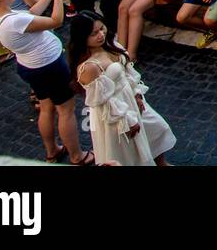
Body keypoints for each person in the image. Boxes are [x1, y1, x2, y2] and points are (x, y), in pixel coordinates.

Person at [0, 0, 93, 164]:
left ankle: (52, 150)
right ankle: (77, 156)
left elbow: (31, 14)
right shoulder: (12, 21)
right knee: (66, 110)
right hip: (49, 66)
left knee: (46, 107)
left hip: (30, 66)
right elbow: (56, 20)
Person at [70, 11, 176, 166]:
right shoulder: (89, 67)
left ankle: (161, 163)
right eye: (94, 33)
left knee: (155, 128)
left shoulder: (110, 44)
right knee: (130, 151)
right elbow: (102, 101)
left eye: (101, 29)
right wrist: (126, 120)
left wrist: (137, 94)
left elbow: (127, 71)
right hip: (114, 113)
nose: (101, 35)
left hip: (130, 97)